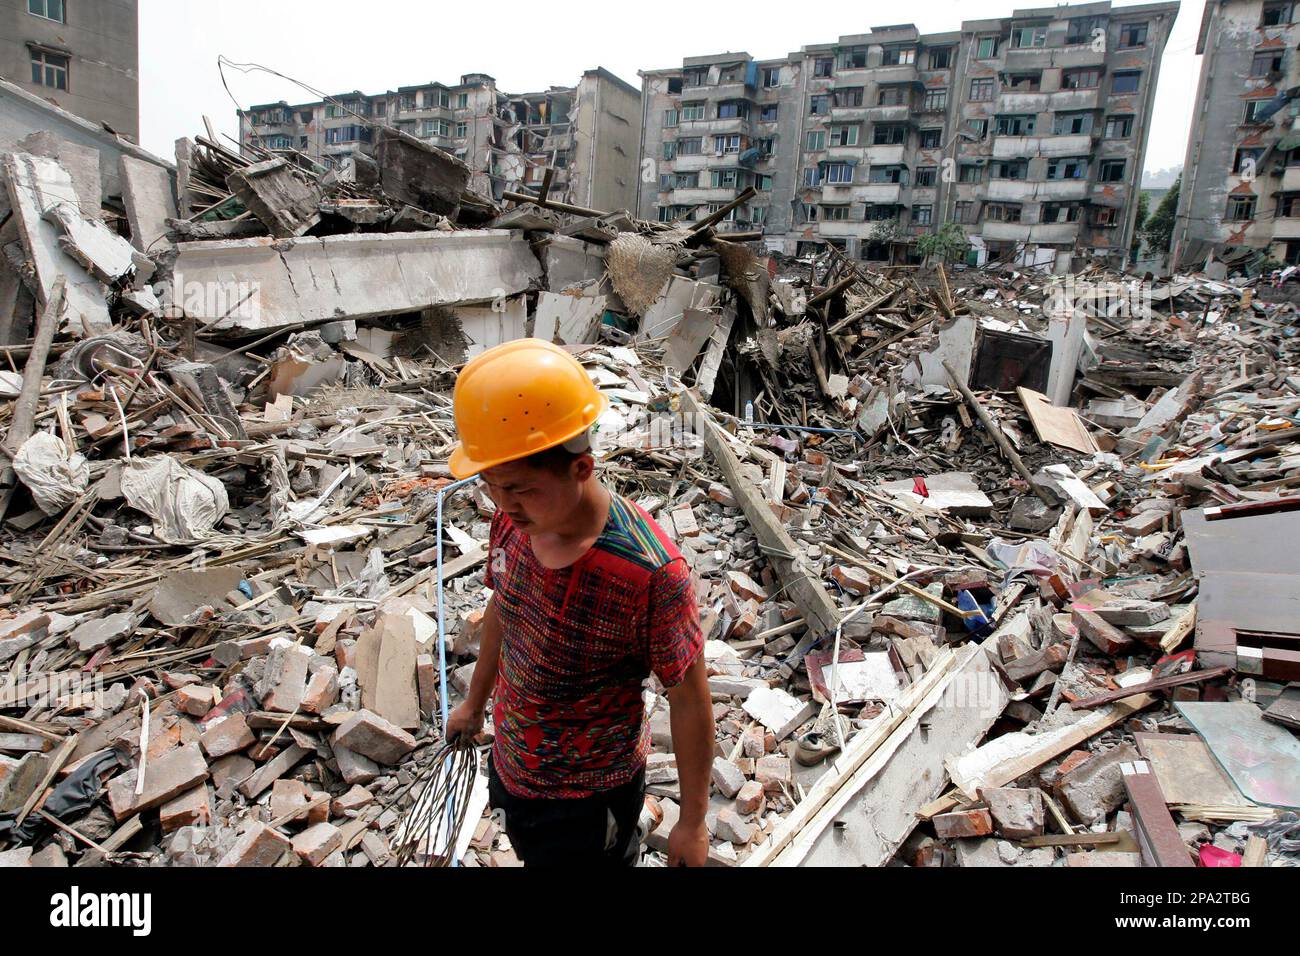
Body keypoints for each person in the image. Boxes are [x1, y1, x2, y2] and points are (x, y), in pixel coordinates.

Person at [444, 339, 714, 867]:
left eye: (520, 489)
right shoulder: (513, 522)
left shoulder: (650, 572)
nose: (504, 505)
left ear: (581, 468)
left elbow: (689, 698)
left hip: (591, 800)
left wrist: (695, 821)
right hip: (514, 765)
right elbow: (504, 607)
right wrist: (475, 705)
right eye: (492, 487)